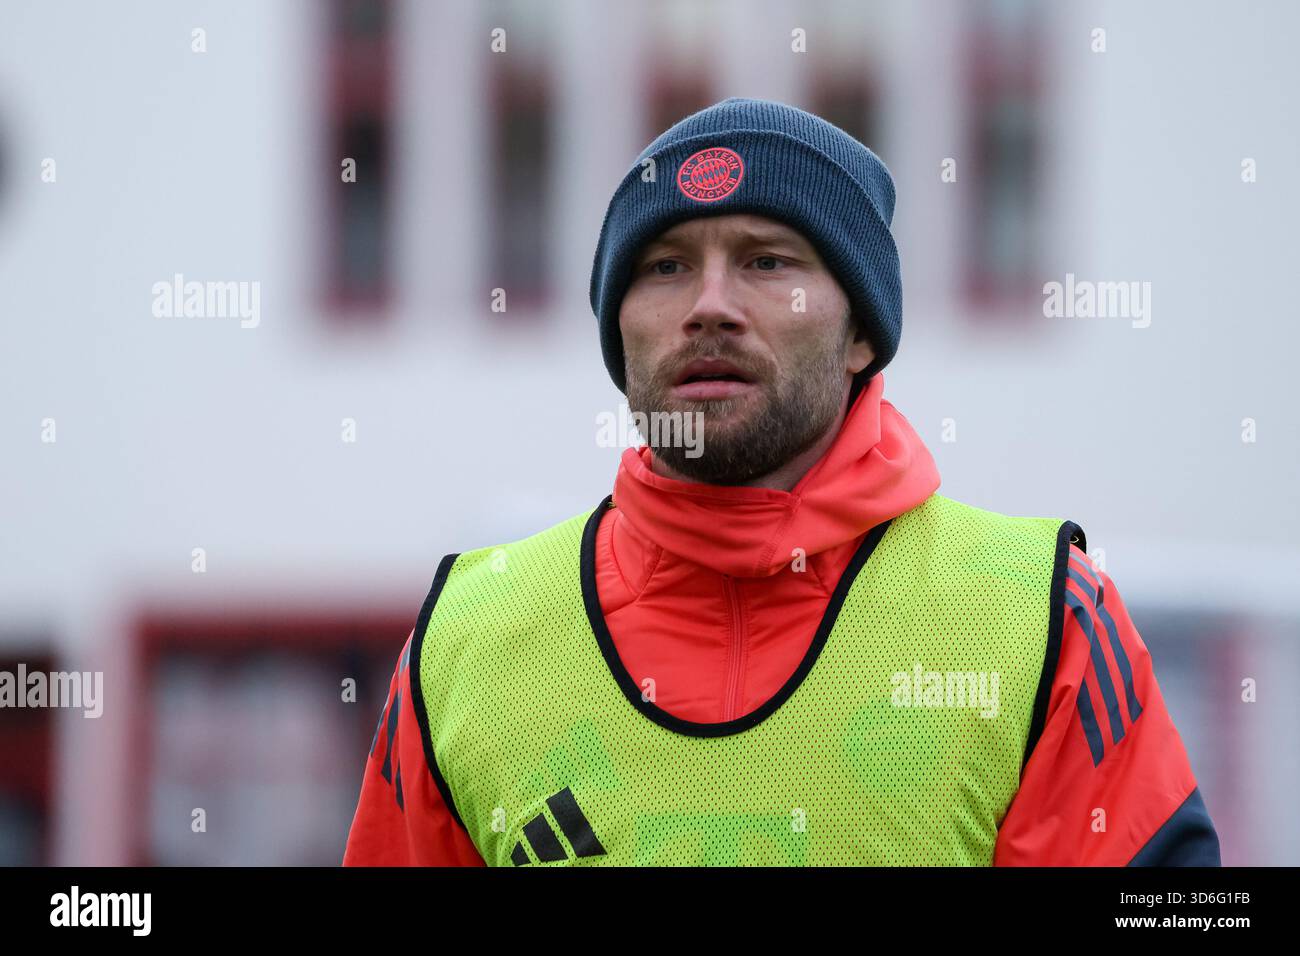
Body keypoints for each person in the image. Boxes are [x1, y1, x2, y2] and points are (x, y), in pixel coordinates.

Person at [342, 97, 1220, 866]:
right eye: (664, 266)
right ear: (620, 333)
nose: (709, 304)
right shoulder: (467, 642)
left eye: (768, 262)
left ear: (861, 336)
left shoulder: (1040, 617)